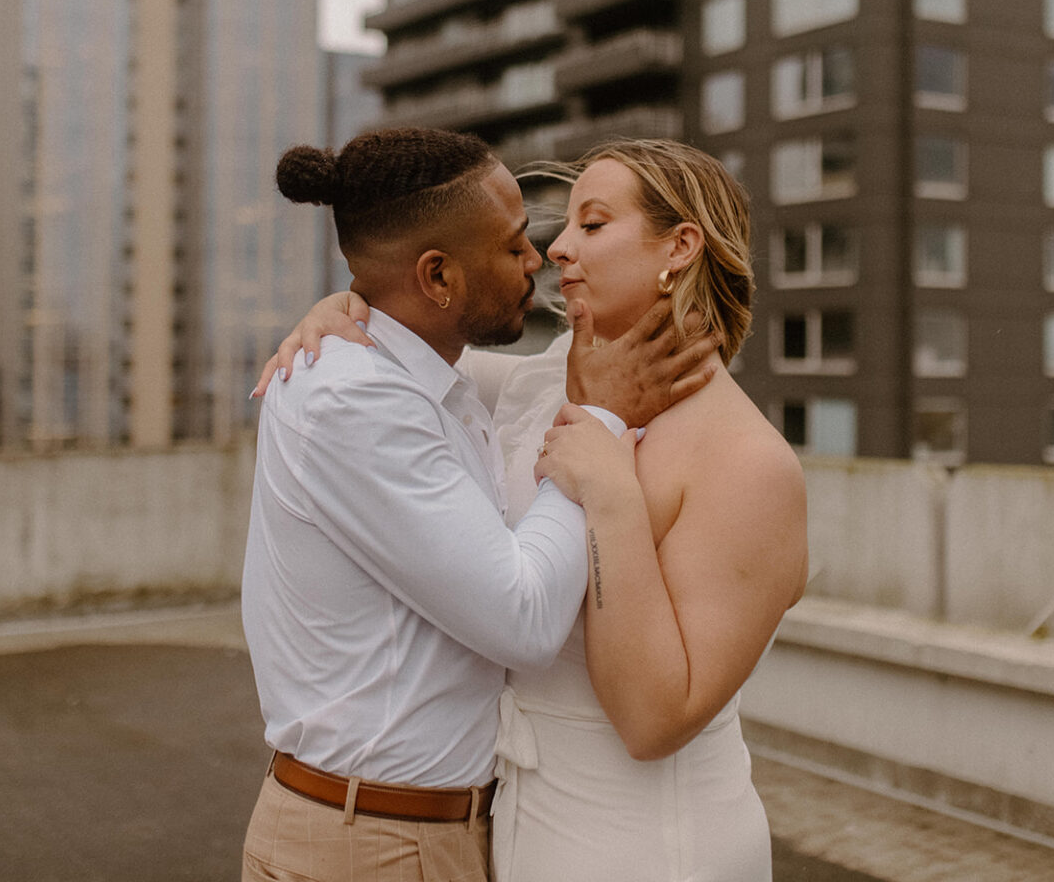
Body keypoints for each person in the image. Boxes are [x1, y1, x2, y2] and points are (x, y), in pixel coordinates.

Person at [259, 138, 808, 881]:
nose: (555, 252)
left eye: (592, 224)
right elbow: (407, 346)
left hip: (646, 847)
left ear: (679, 247)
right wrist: (344, 305)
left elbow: (655, 721)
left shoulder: (750, 464)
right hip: (519, 833)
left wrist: (609, 486)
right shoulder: (542, 387)